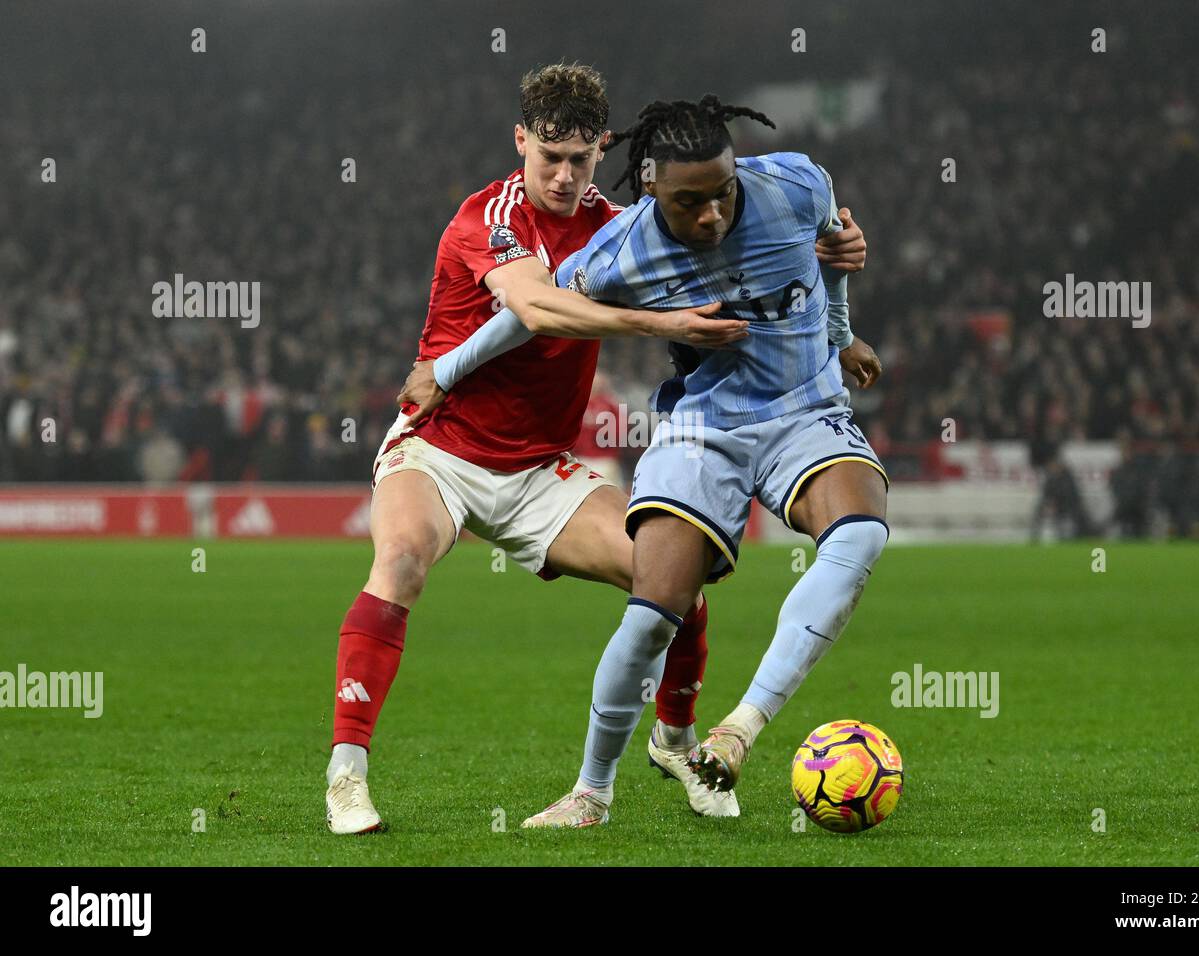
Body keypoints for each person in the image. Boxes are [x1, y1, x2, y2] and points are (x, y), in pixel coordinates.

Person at [328, 68, 866, 833]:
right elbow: (540, 308)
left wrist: (833, 260)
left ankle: (675, 738)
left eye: (580, 158)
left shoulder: (626, 227)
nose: (563, 174)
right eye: (548, 155)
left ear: (602, 151)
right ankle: (346, 776)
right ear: (520, 141)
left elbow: (747, 268)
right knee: (403, 558)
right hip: (442, 449)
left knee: (672, 581)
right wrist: (665, 328)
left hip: (542, 468)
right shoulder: (490, 217)